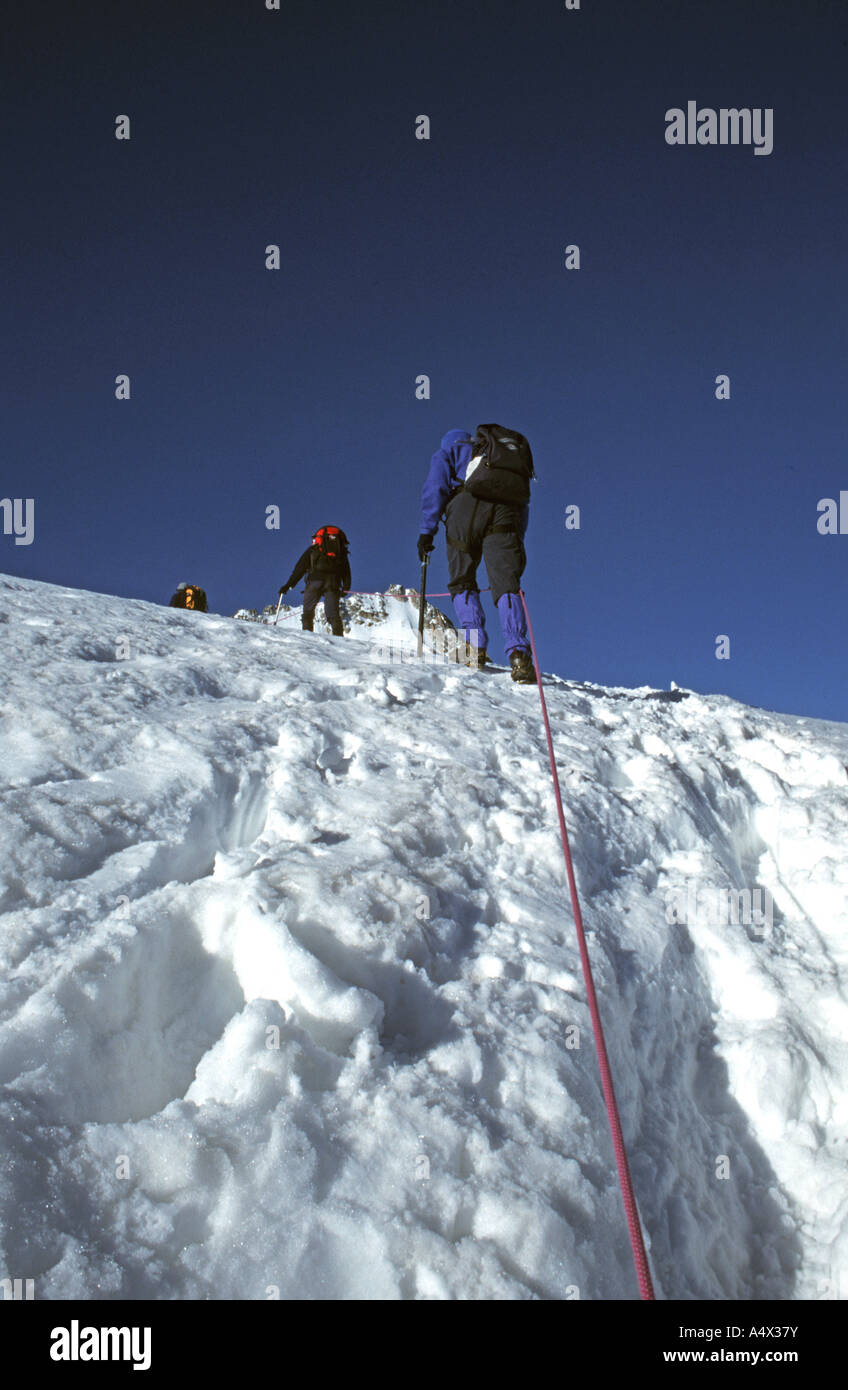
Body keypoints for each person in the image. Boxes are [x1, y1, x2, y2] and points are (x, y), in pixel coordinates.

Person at [418, 428, 536, 683]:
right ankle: (518, 653)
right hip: (506, 514)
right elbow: (521, 502)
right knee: (506, 583)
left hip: (465, 508)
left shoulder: (448, 450)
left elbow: (435, 485)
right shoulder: (497, 460)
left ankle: (474, 646)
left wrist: (427, 531)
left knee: (462, 579)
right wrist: (515, 540)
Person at [279, 526, 351, 636]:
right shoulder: (340, 552)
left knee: (308, 612)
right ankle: (340, 642)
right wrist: (346, 587)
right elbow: (346, 570)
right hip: (333, 583)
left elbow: (300, 569)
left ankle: (308, 640)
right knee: (333, 615)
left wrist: (289, 585)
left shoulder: (313, 550)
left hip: (314, 581)